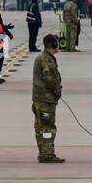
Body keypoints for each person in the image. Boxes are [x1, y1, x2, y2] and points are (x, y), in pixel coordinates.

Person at [31, 34, 65, 163]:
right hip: (46, 100)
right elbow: (49, 79)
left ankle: (44, 153)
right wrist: (57, 91)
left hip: (40, 99)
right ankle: (47, 154)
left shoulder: (43, 58)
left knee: (41, 127)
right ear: (52, 45)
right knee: (47, 127)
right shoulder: (47, 60)